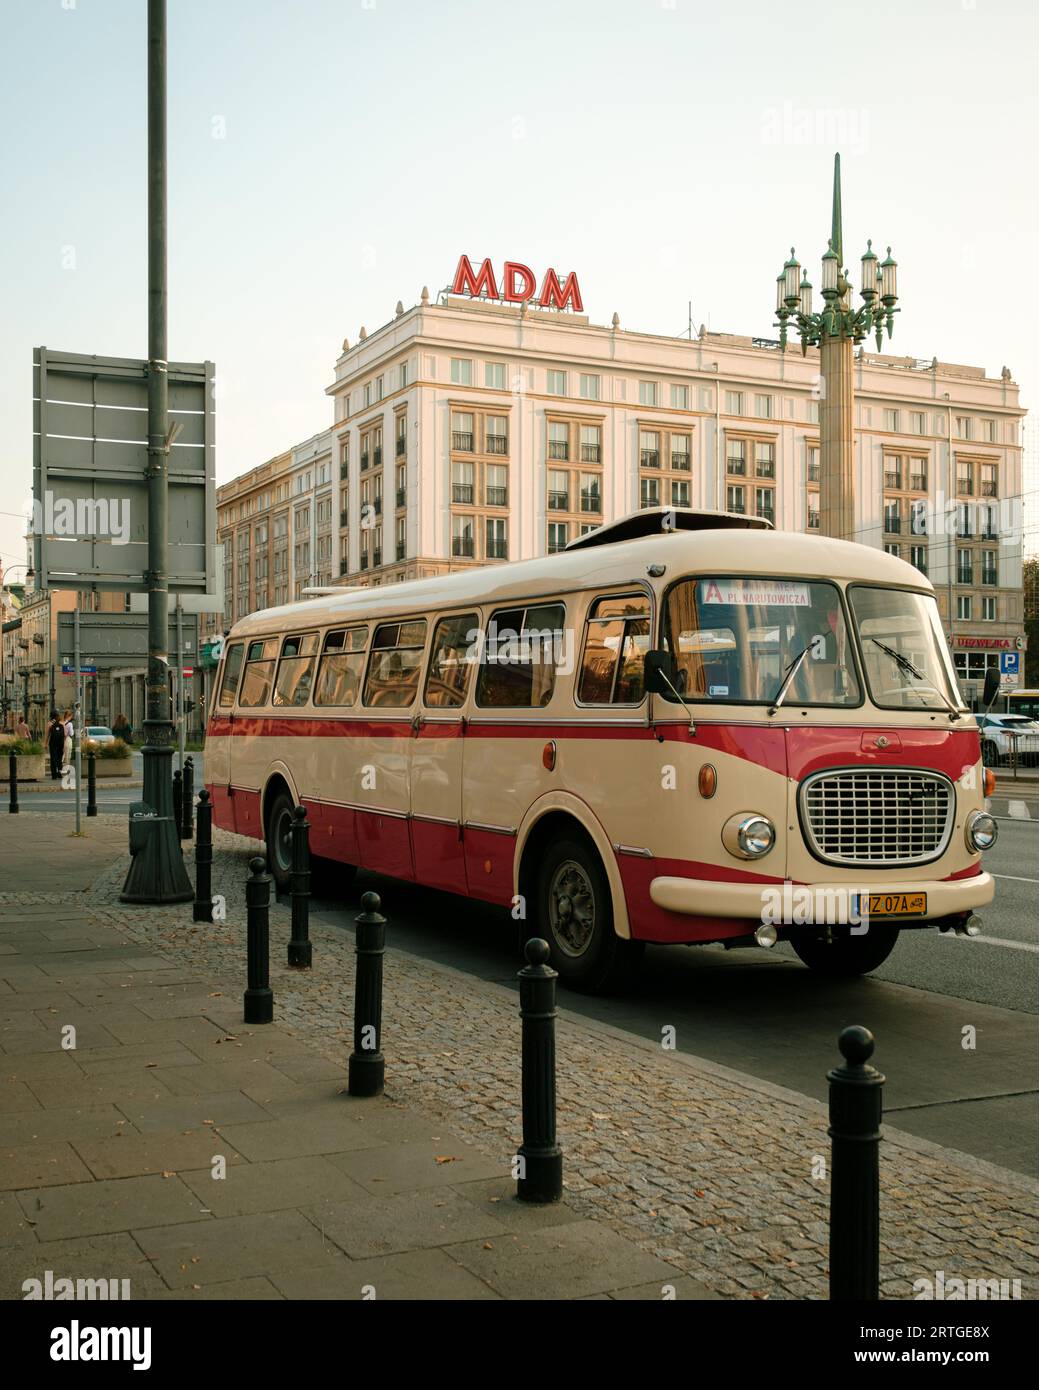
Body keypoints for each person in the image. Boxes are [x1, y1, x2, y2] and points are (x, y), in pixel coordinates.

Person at [47, 710, 64, 780]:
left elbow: (47, 734)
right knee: (59, 758)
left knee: (53, 758)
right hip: (60, 743)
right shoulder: (61, 722)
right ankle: (60, 773)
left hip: (53, 743)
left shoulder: (50, 723)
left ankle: (54, 775)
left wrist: (45, 743)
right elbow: (65, 734)